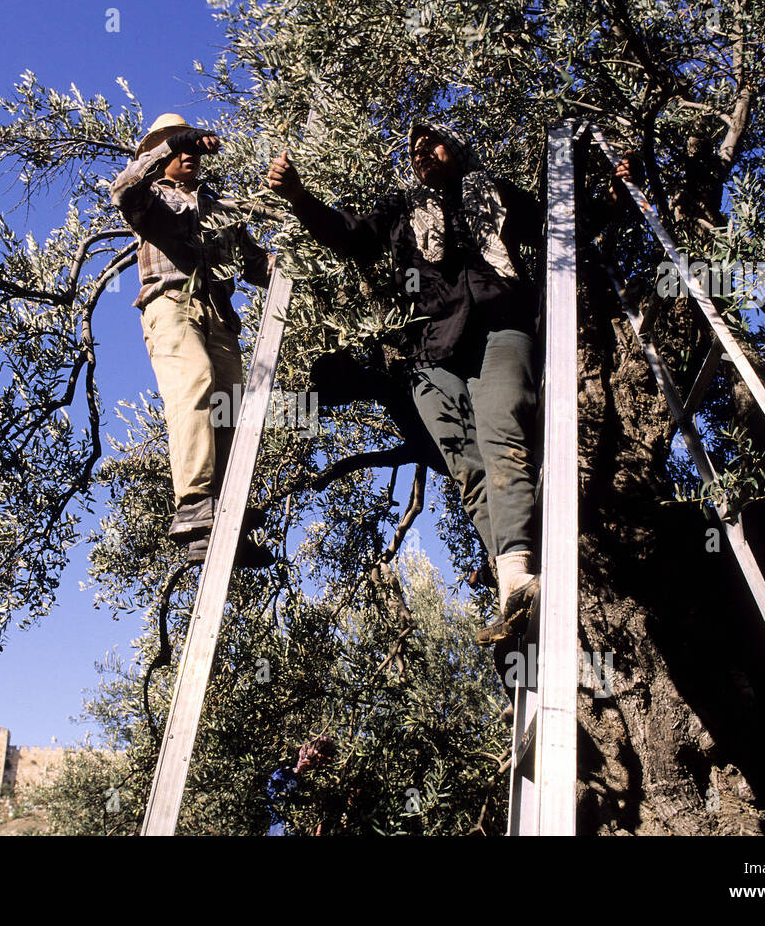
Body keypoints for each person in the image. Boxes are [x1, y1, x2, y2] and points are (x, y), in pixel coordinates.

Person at [268, 123, 638, 646]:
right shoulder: (402, 212)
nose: (423, 155)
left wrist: (613, 199)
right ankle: (516, 584)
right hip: (430, 355)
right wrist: (299, 196)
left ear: (458, 149)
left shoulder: (497, 197)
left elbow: (560, 228)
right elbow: (349, 235)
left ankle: (516, 571)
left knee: (501, 432)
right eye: (415, 151)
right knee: (468, 471)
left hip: (499, 330)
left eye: (432, 145)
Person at [111, 114, 274, 567]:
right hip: (172, 304)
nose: (187, 155)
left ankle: (221, 513)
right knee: (194, 383)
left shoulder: (218, 206)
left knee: (231, 405)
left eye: (190, 147)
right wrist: (171, 143)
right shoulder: (150, 198)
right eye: (175, 147)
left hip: (220, 313)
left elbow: (257, 264)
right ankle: (194, 504)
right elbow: (122, 190)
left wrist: (309, 256)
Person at [265, 735, 337, 835]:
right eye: (320, 757)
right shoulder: (283, 775)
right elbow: (274, 805)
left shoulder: (322, 785)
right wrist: (298, 774)